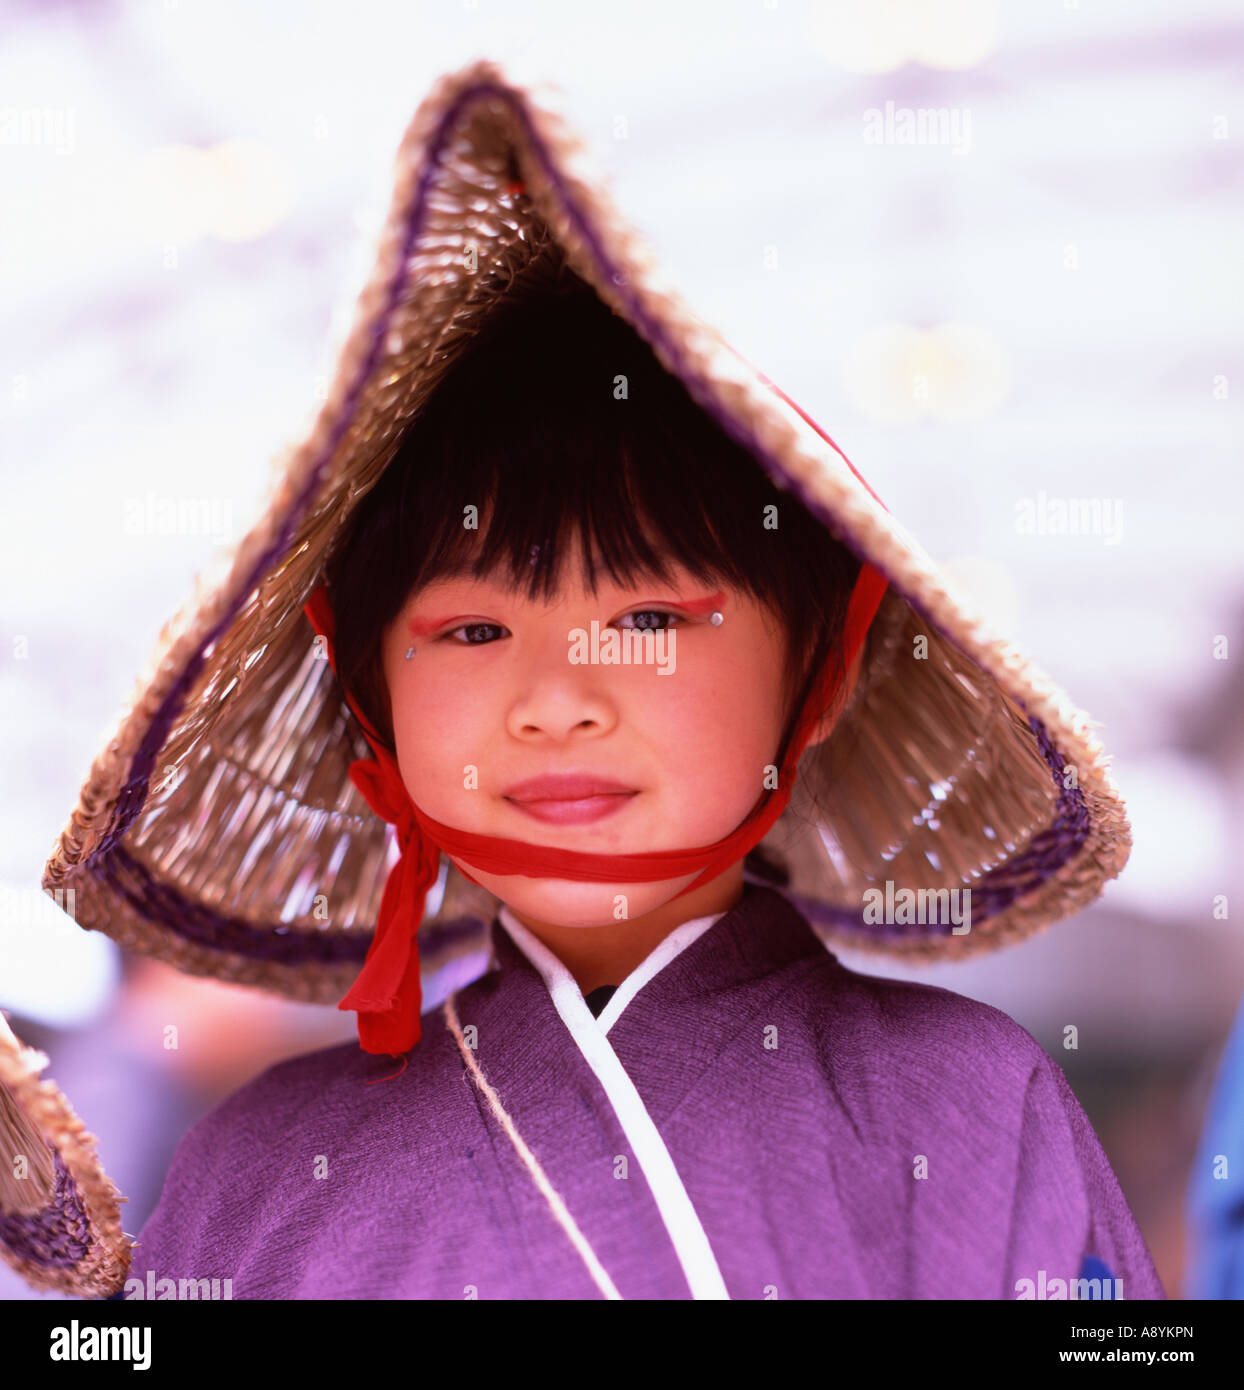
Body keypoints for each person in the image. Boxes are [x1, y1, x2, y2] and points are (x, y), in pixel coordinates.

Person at [15, 59, 1164, 1300]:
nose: (557, 697)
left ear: (821, 670)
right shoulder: (255, 1168)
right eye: (469, 632)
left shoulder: (974, 1100)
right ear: (368, 703)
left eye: (650, 614)